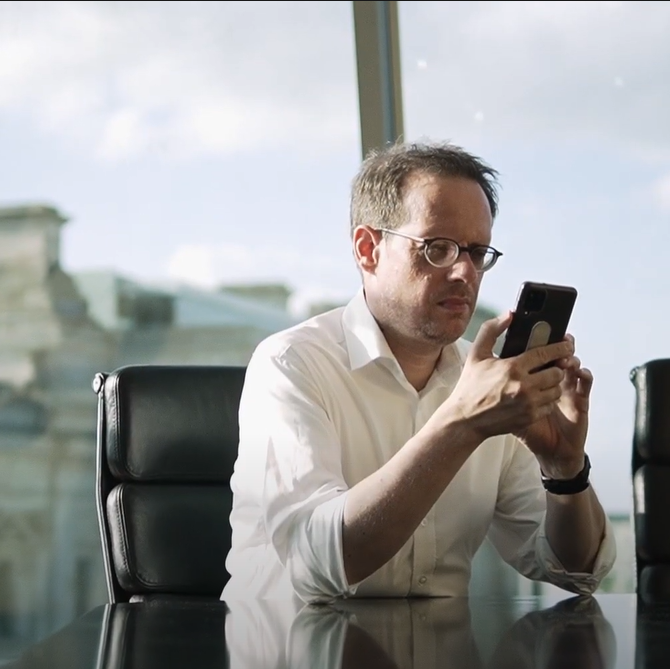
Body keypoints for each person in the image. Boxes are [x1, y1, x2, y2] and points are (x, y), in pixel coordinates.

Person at [220, 141, 615, 603]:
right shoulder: (291, 363)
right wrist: (462, 423)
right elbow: (317, 562)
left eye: (477, 252)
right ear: (368, 249)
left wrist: (564, 471)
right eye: (438, 248)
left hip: (439, 639)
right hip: (291, 637)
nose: (465, 273)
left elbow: (575, 572)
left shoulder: (490, 386)